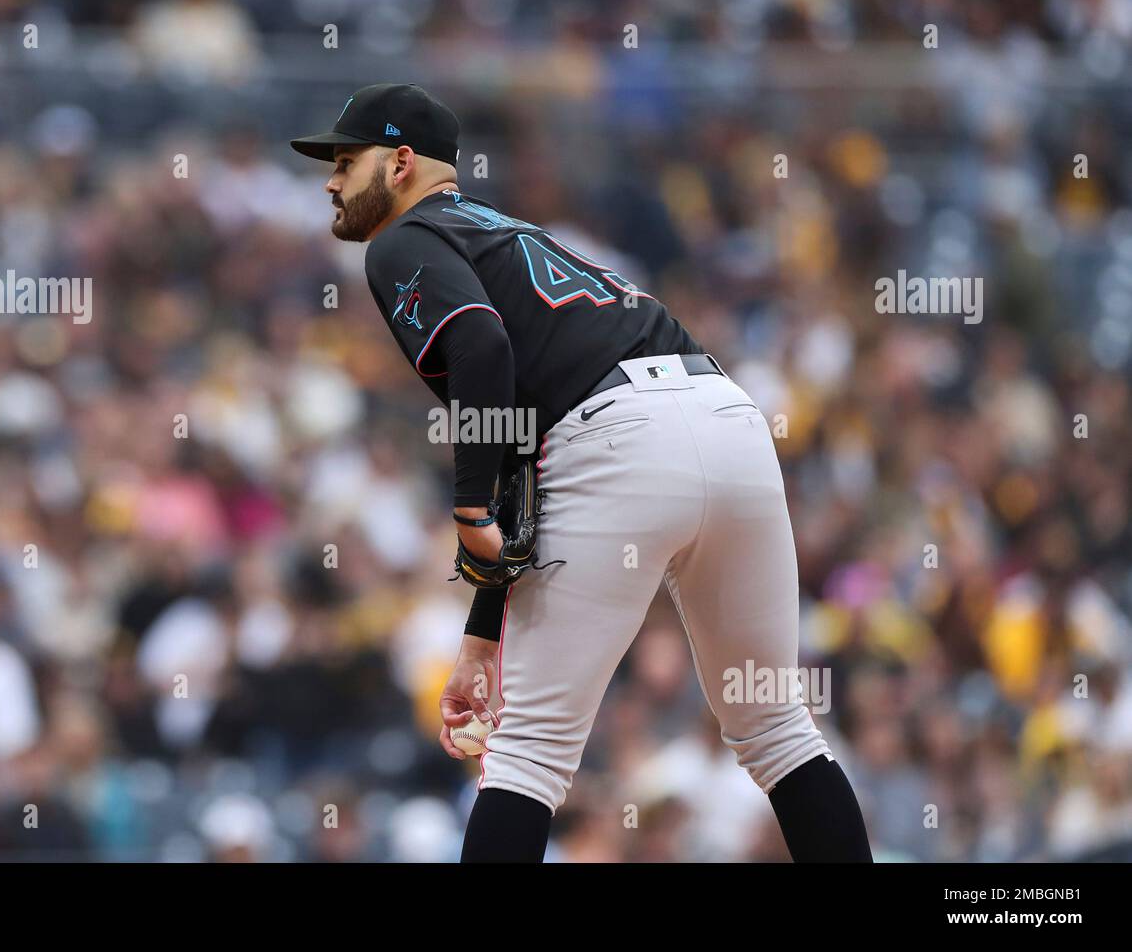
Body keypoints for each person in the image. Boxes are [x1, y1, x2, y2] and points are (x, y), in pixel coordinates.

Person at [291, 83, 873, 862]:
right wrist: (480, 639)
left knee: (527, 756)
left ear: (400, 164)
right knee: (776, 728)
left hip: (617, 439)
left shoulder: (404, 238)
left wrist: (466, 513)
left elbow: (483, 354)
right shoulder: (512, 233)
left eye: (345, 159)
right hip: (728, 417)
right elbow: (521, 457)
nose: (331, 179)